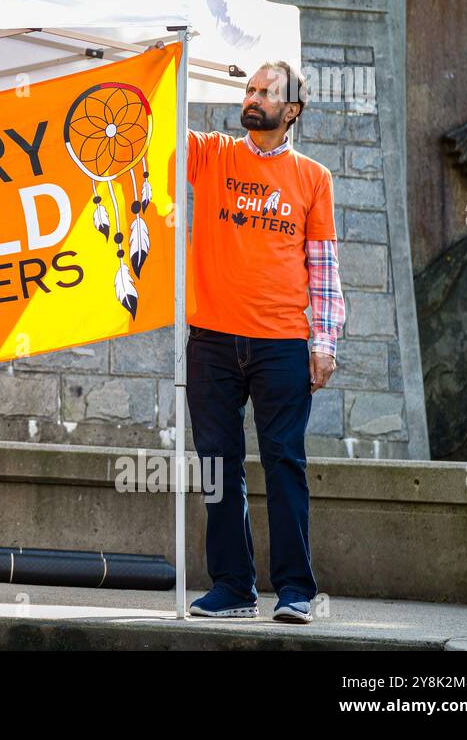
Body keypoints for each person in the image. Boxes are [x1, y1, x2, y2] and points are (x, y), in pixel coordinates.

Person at [185, 61, 345, 624]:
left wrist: (324, 342)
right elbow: (152, 133)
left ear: (291, 109)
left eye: (265, 92)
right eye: (248, 89)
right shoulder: (210, 154)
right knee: (216, 464)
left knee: (284, 462)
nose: (251, 98)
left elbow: (323, 266)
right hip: (211, 341)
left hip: (281, 344)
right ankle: (232, 588)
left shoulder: (313, 177)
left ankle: (296, 590)